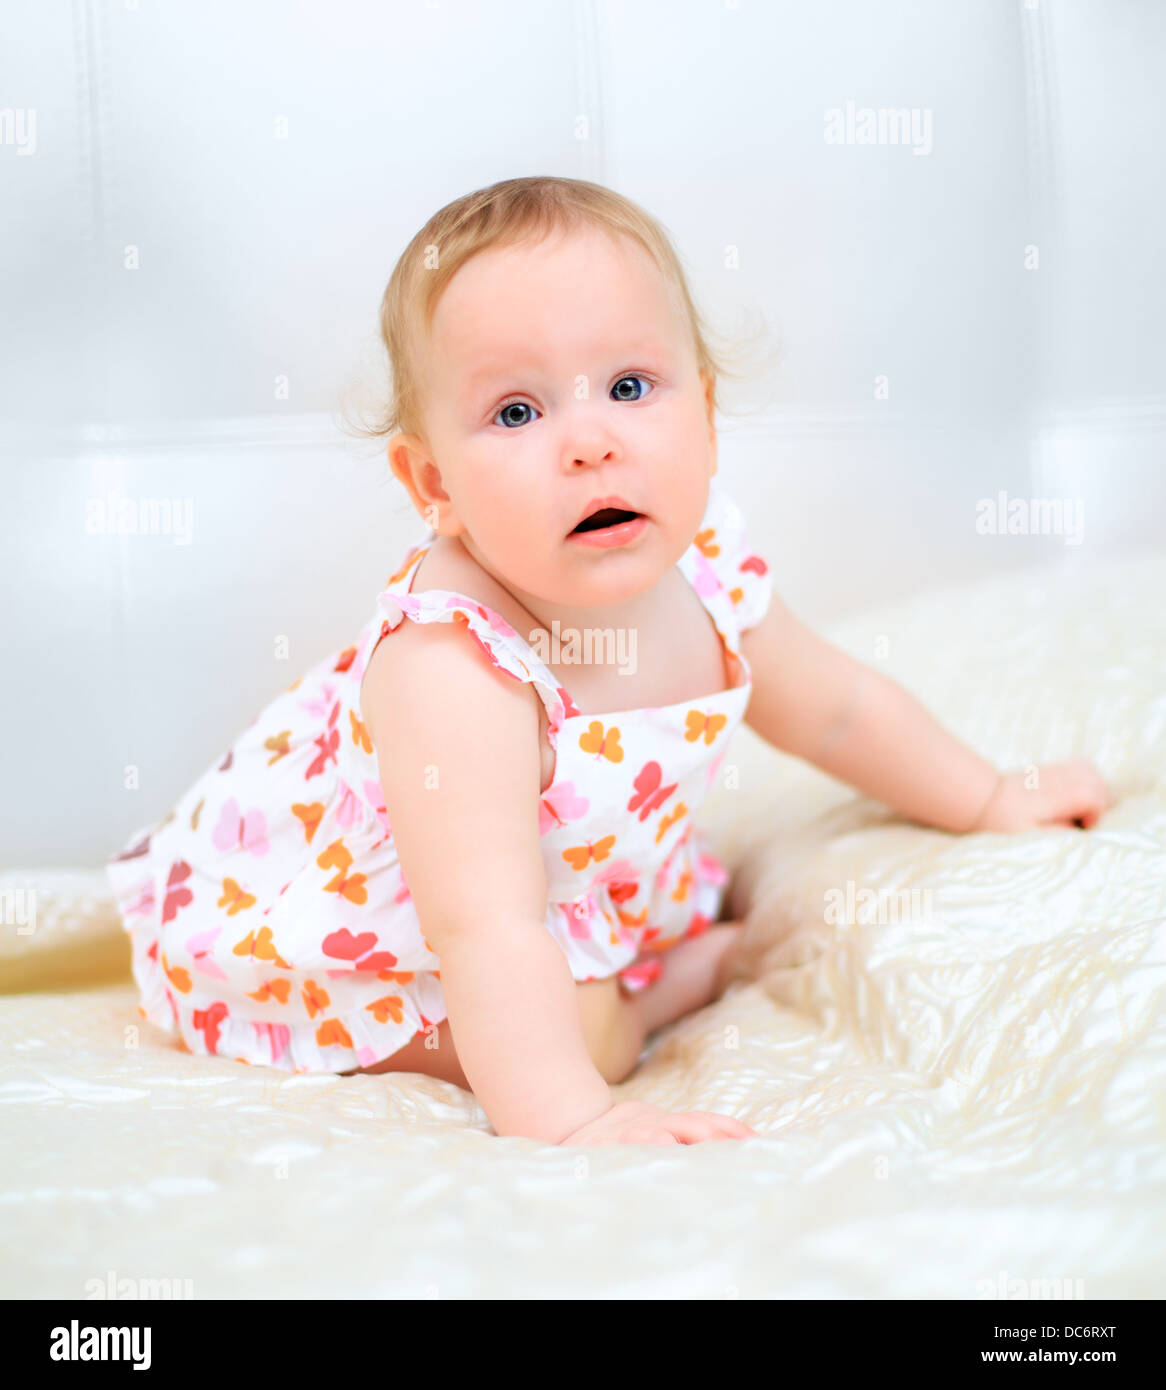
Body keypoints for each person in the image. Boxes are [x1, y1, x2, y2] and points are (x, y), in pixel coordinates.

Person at [107, 176, 1113, 1148]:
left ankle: (637, 954)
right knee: (573, 1029)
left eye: (629, 387)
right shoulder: (454, 669)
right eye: (515, 412)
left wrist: (982, 795)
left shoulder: (707, 568)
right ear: (433, 483)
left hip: (565, 883)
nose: (588, 441)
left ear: (706, 418)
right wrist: (574, 1114)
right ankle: (650, 998)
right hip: (374, 928)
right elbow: (482, 927)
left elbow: (837, 708)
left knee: (604, 935)